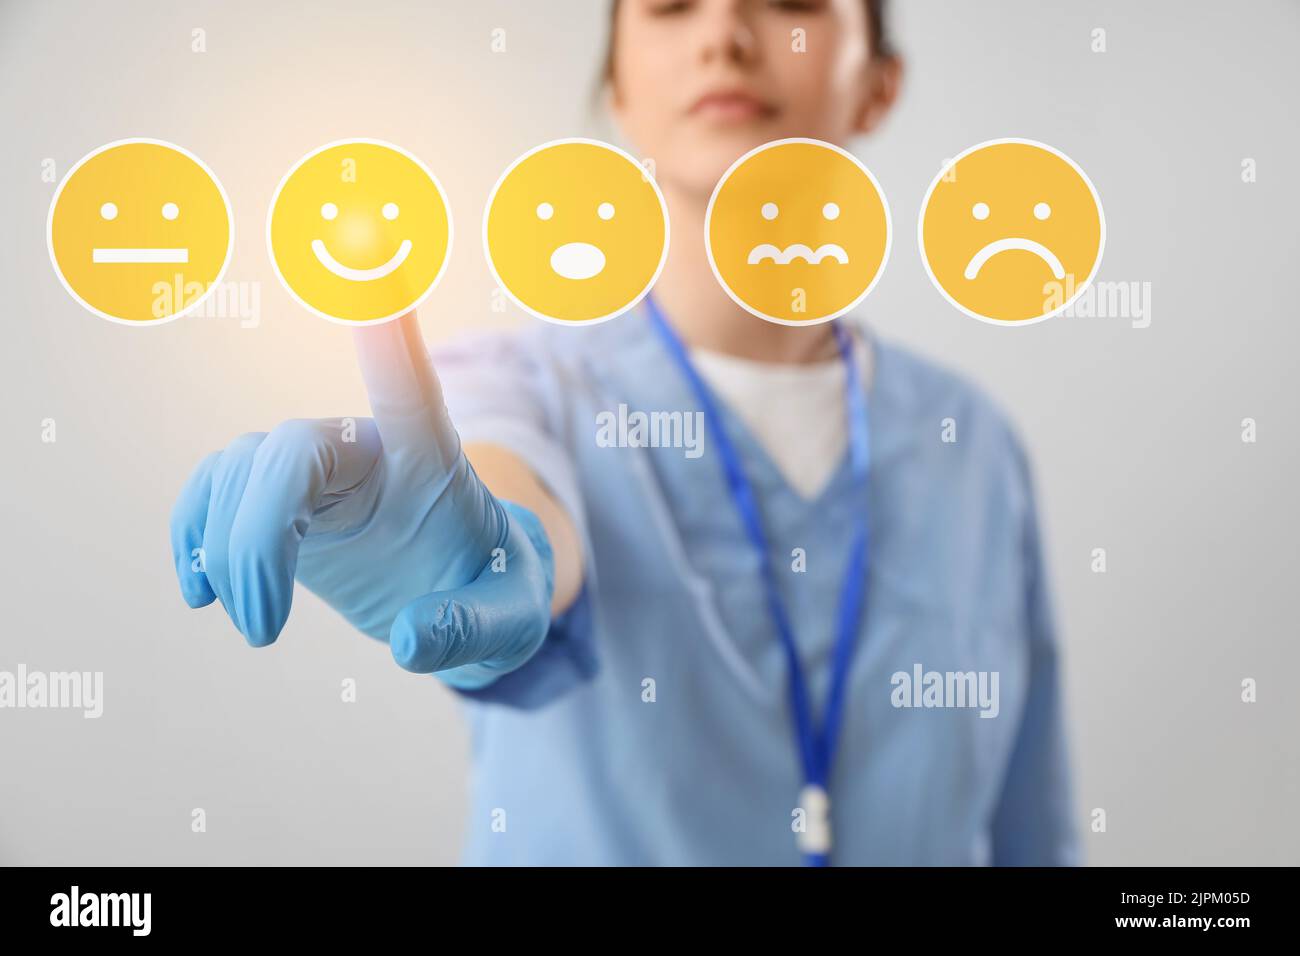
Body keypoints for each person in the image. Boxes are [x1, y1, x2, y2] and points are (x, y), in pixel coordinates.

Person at [169, 0, 1078, 865]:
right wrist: (491, 553)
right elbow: (508, 487)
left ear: (880, 83)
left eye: (792, 2)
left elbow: (1032, 827)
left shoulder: (973, 443)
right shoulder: (508, 387)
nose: (724, 34)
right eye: (672, 6)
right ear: (617, 88)